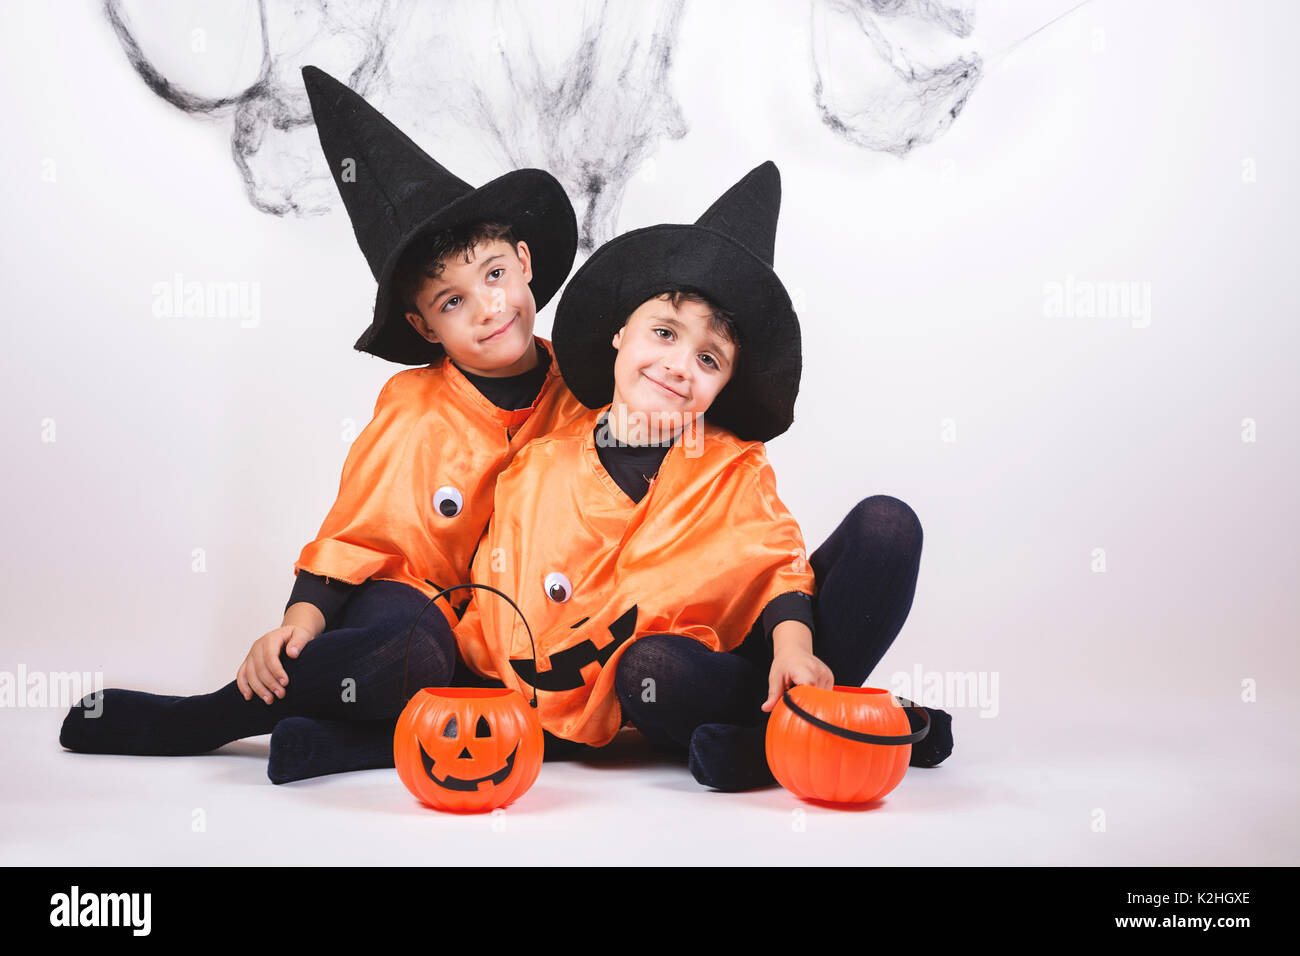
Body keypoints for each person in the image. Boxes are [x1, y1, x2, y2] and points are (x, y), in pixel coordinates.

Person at [57, 66, 586, 782]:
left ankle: (346, 746)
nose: (489, 307)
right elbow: (352, 538)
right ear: (423, 325)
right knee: (412, 653)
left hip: (510, 628)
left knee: (545, 681)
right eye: (453, 301)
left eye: (493, 275)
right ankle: (222, 713)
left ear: (524, 264)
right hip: (410, 603)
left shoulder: (582, 393)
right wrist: (298, 626)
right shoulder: (415, 407)